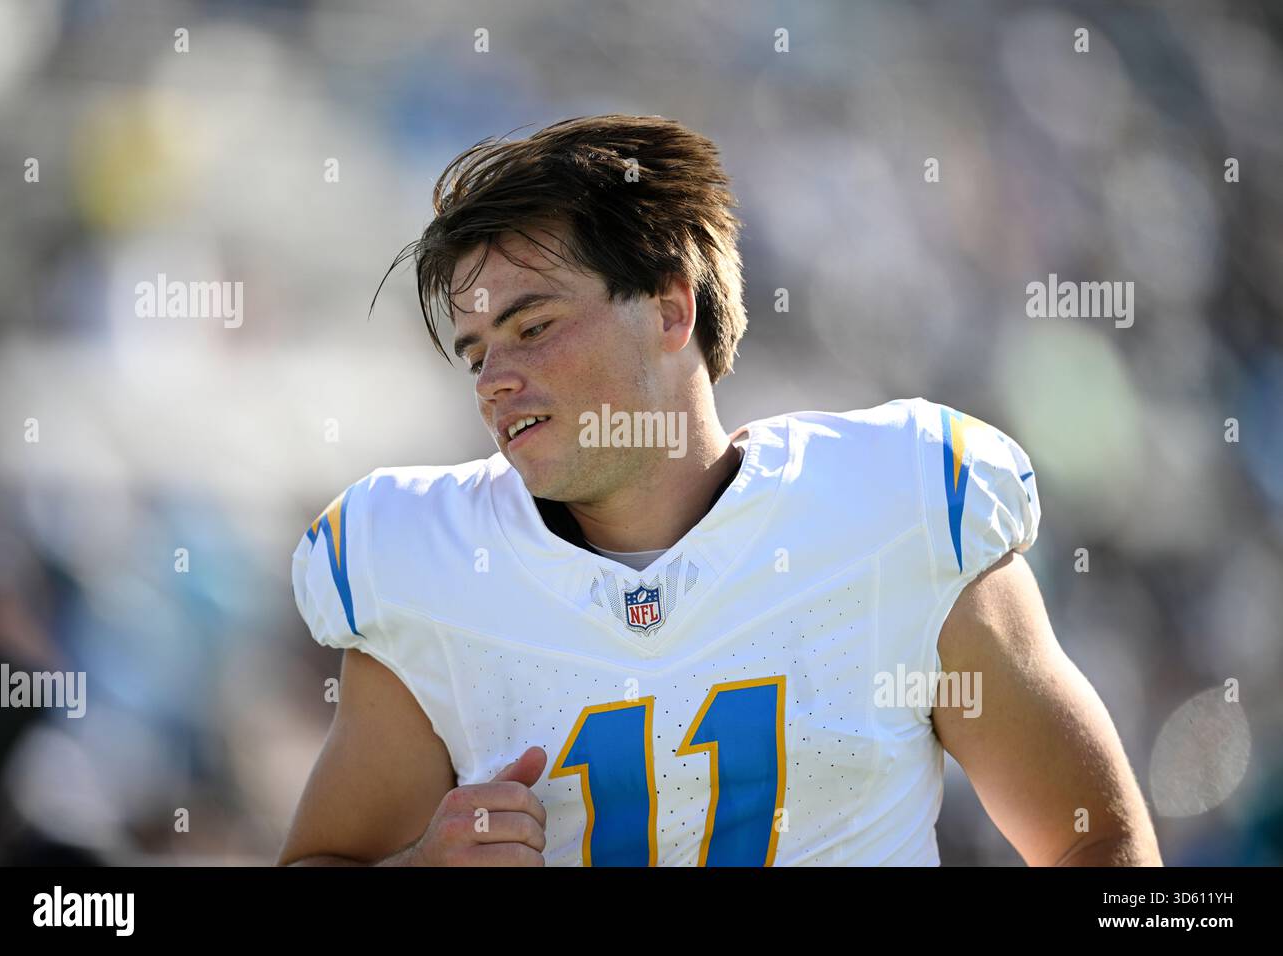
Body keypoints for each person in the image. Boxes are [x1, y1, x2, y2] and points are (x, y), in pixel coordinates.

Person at [277, 114, 1161, 867]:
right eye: (475, 352)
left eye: (532, 325)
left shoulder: (902, 507)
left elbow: (1095, 843)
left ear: (670, 307)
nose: (492, 381)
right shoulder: (429, 566)